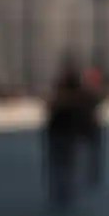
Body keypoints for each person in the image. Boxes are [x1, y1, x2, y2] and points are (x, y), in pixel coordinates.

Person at [43, 66, 84, 207]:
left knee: (60, 164)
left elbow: (50, 113)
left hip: (61, 134)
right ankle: (64, 189)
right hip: (66, 134)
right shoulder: (76, 99)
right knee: (66, 164)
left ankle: (61, 189)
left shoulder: (60, 99)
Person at [78, 67, 106, 188]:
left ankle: (91, 174)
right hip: (87, 127)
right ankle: (89, 174)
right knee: (87, 153)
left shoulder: (90, 94)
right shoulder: (86, 95)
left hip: (90, 128)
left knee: (91, 153)